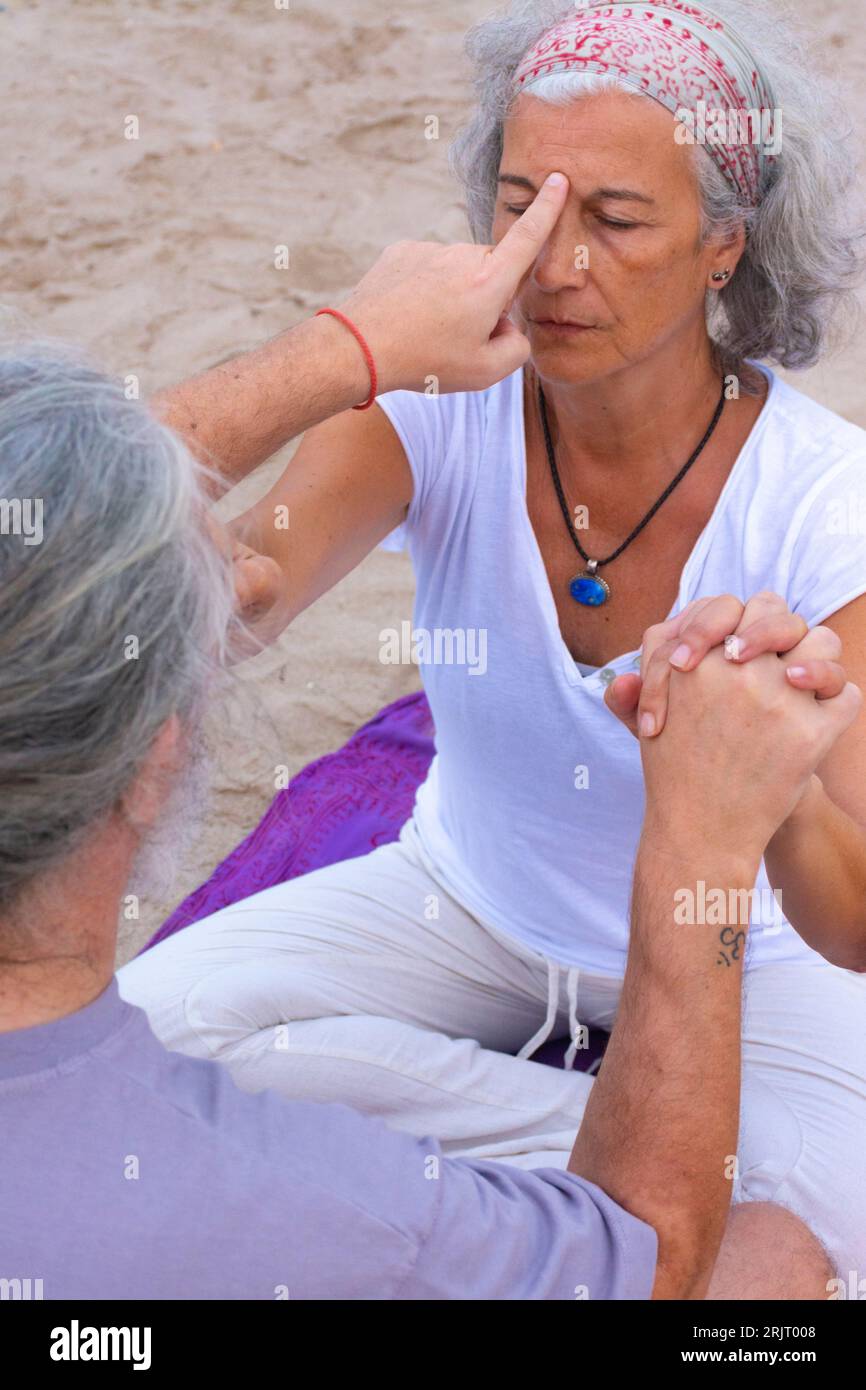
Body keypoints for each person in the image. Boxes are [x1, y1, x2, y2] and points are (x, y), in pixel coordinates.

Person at [119, 0, 866, 1296]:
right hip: (465, 908)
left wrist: (768, 769)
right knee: (128, 1057)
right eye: (522, 202)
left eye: (614, 219)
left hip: (744, 967)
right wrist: (339, 357)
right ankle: (617, 1164)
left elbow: (848, 912)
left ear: (721, 247)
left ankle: (586, 1172)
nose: (553, 261)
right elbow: (212, 607)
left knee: (767, 1285)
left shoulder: (825, 503)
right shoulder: (436, 411)